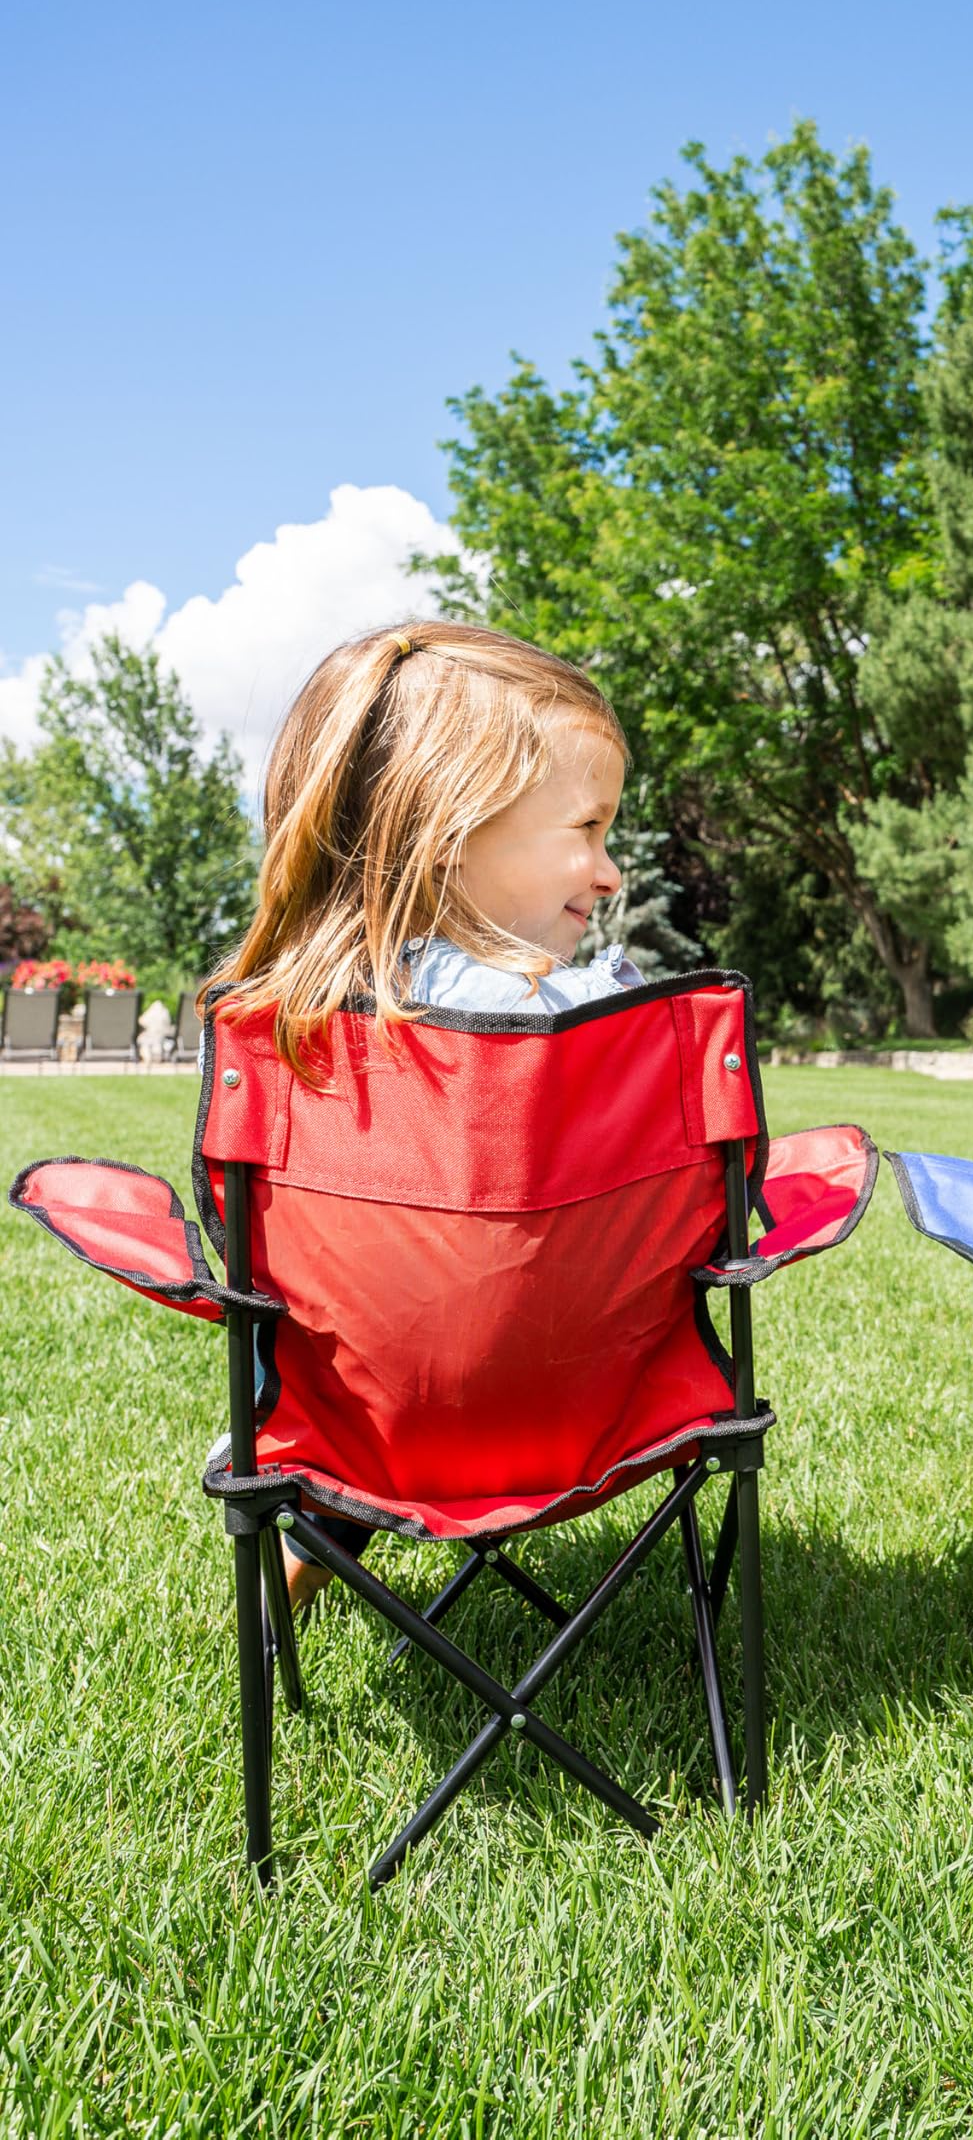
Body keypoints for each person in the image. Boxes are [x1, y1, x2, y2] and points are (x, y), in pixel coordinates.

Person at [202, 619, 636, 1615]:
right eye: (588, 829)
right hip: (593, 1409)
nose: (610, 872)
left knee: (392, 1309)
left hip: (344, 1420)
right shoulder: (587, 1022)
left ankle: (311, 1529)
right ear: (453, 834)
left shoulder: (275, 1026)